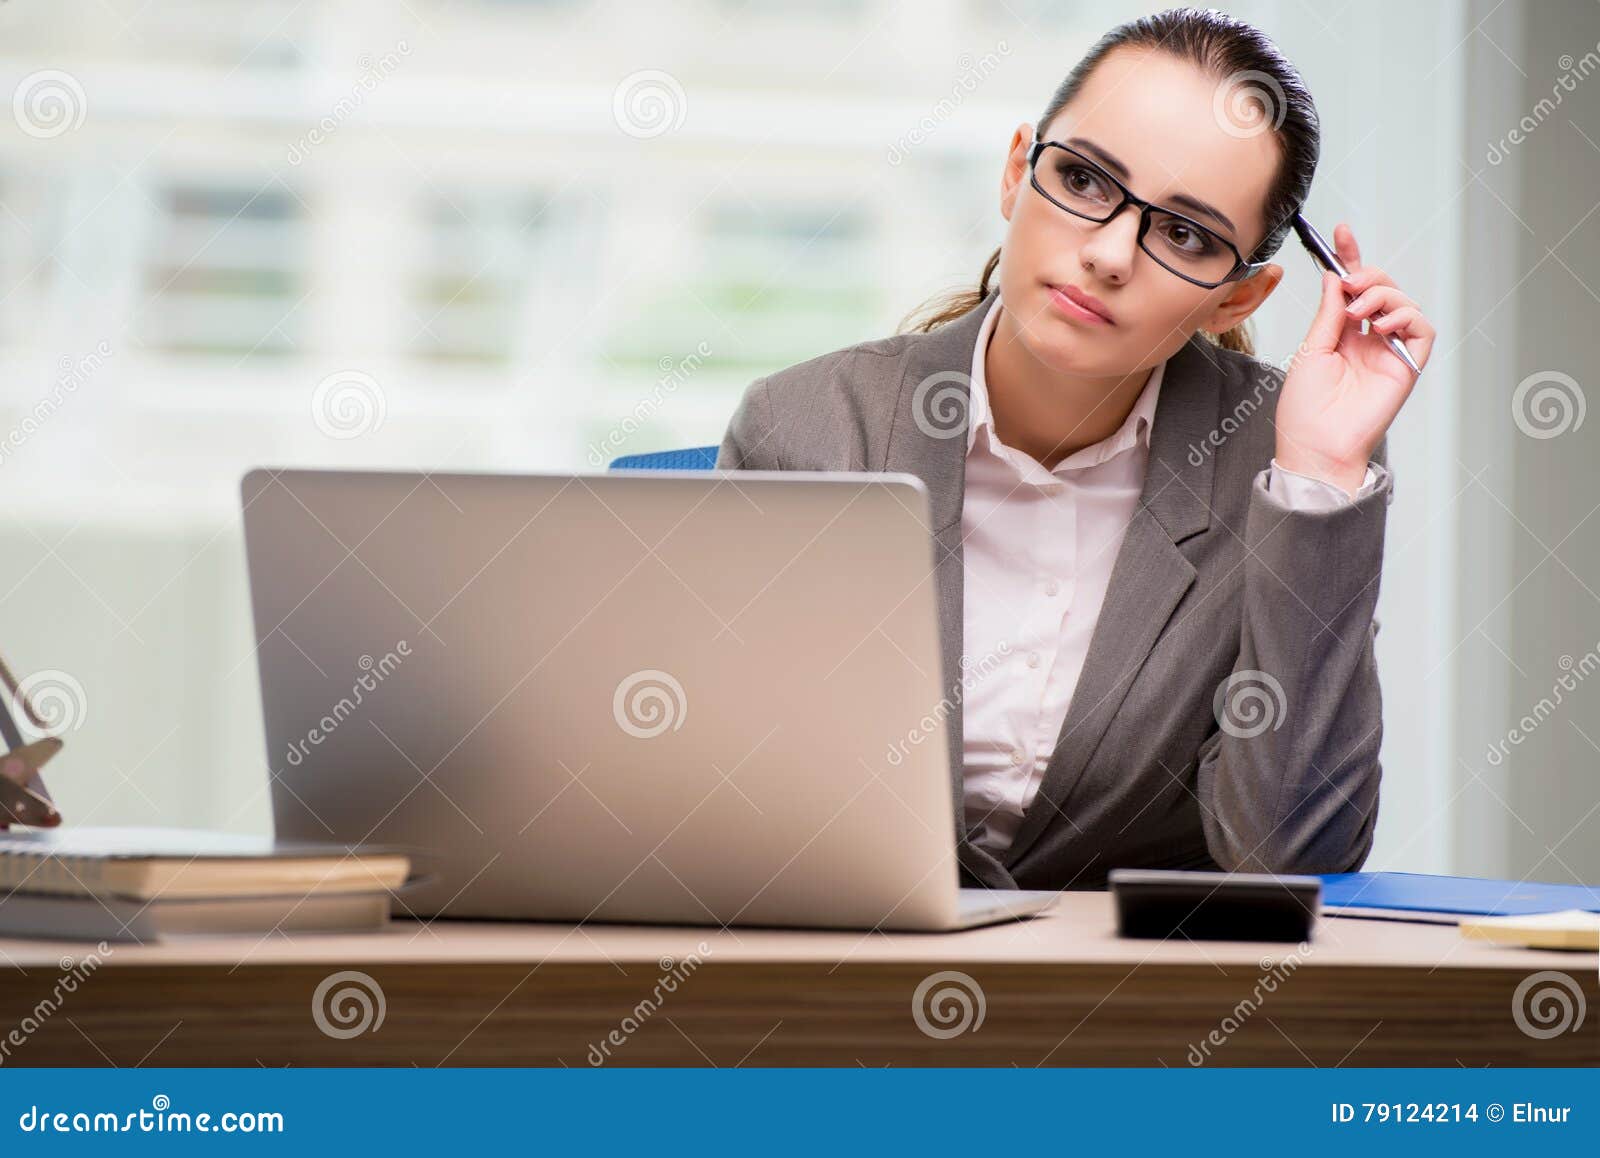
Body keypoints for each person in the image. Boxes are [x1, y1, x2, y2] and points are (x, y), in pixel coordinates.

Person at [714, 7, 1434, 891]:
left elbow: (1290, 849)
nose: (1108, 254)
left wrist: (1320, 479)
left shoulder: (1279, 466)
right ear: (1018, 172)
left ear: (1237, 299)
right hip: (839, 989)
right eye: (1087, 181)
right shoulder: (810, 429)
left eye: (1186, 234)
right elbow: (731, 805)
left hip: (1134, 1009)